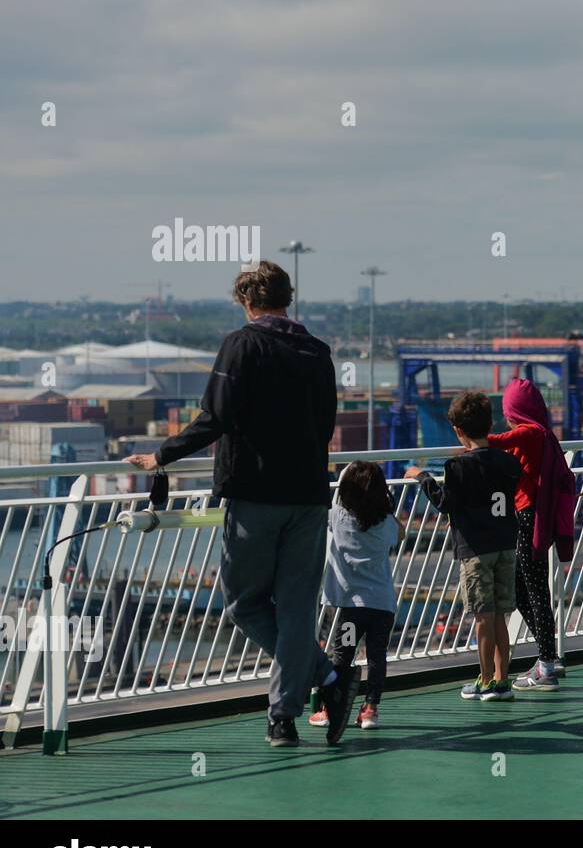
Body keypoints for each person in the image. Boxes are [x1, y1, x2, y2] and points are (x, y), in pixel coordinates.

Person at [125, 260, 356, 747]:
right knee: (296, 609)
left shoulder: (241, 344)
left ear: (246, 301)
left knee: (243, 603)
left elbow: (215, 418)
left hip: (256, 494)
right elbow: (327, 421)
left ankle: (327, 682)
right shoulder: (318, 351)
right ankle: (289, 713)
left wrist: (161, 455)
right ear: (285, 297)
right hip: (311, 496)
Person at [405, 391, 523, 701]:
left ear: (458, 431)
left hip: (476, 548)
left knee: (482, 615)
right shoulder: (508, 462)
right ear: (489, 424)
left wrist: (423, 477)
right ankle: (501, 679)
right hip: (506, 543)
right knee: (500, 615)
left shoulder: (456, 467)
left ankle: (484, 680)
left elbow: (445, 503)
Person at [488, 379, 577, 691]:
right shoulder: (545, 435)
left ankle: (546, 665)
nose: (507, 417)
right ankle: (547, 657)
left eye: (508, 411)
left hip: (528, 518)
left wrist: (466, 434)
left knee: (533, 590)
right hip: (536, 516)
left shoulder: (529, 433)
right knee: (528, 588)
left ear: (516, 411)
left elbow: (494, 441)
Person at [308, 461, 400, 730]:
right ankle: (371, 709)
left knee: (342, 656)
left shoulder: (338, 516)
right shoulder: (386, 523)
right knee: (376, 657)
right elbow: (401, 533)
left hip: (350, 609)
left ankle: (330, 709)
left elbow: (323, 509)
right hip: (382, 606)